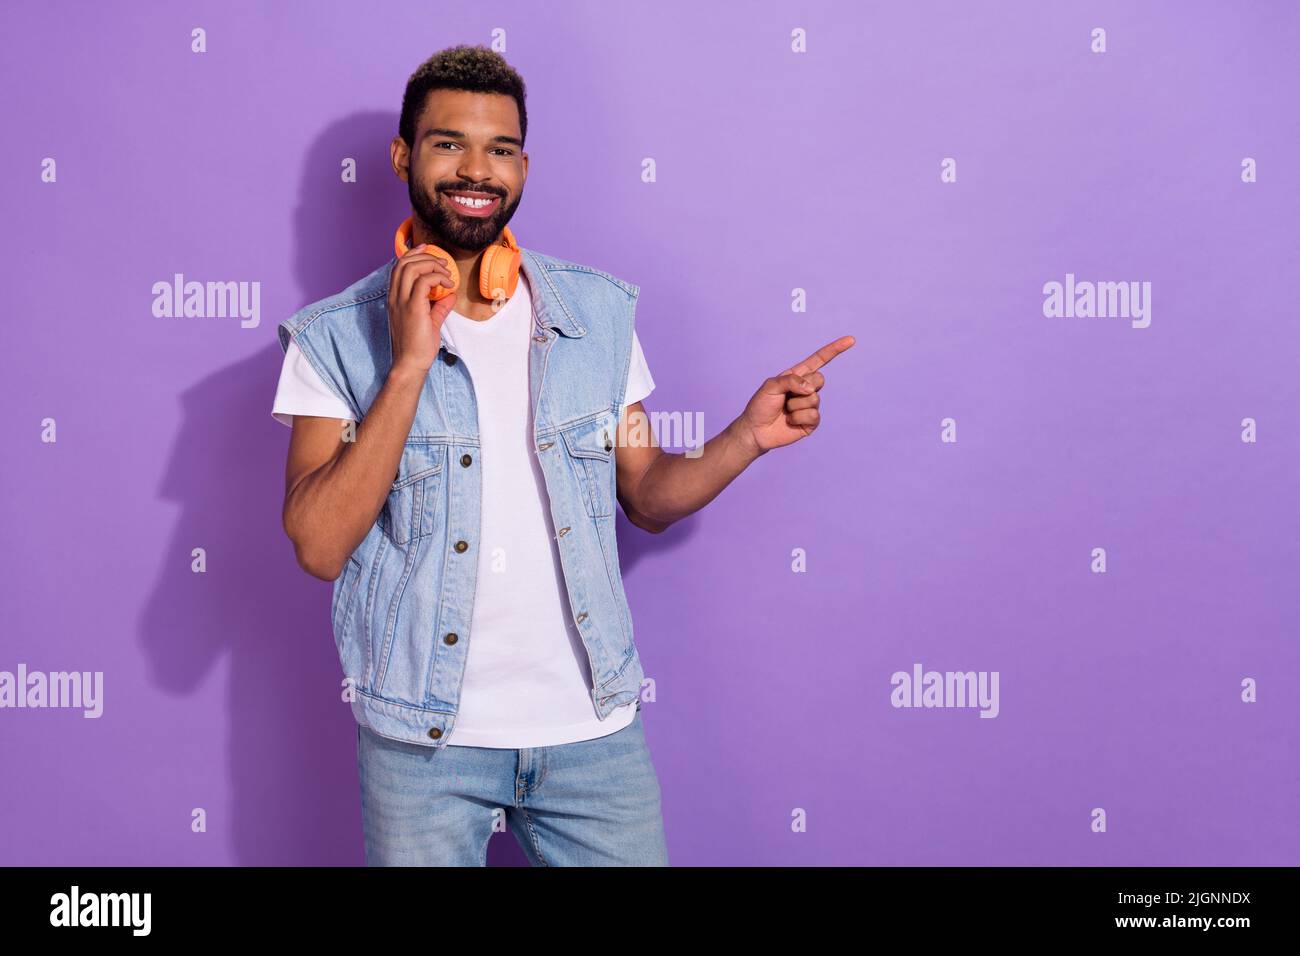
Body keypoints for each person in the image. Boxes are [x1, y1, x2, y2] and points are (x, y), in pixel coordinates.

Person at [271, 44, 854, 866]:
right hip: (422, 744)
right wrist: (407, 365)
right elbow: (319, 544)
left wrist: (746, 437)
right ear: (404, 156)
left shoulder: (595, 313)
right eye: (448, 144)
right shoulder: (334, 338)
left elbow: (646, 491)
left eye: (500, 149)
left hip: (593, 733)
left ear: (523, 165)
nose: (477, 169)